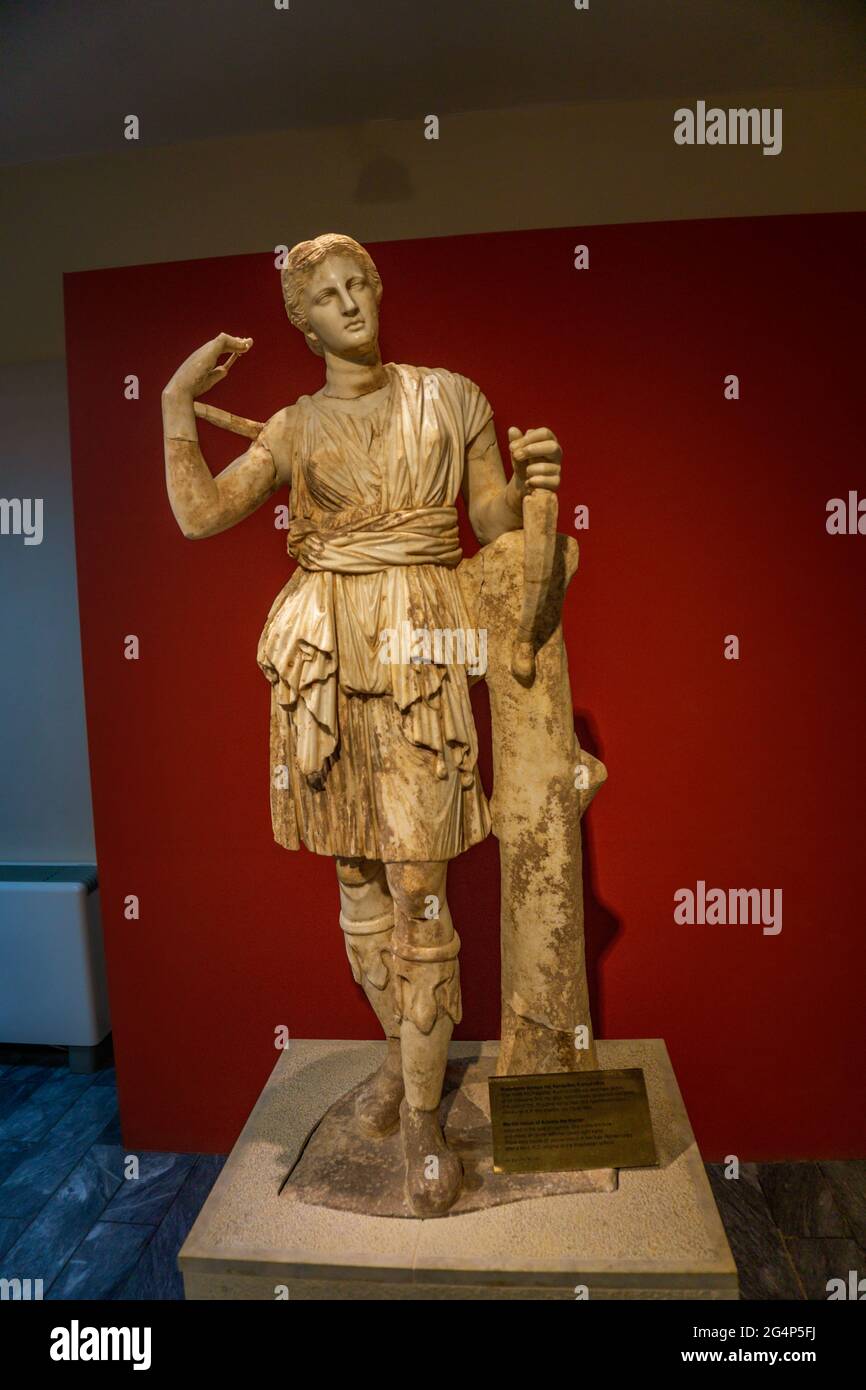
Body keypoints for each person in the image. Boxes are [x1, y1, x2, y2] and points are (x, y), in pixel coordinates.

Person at [162, 233, 562, 1215]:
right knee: (354, 872)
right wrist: (175, 409)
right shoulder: (294, 427)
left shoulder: (452, 397)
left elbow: (491, 521)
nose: (347, 303)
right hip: (322, 653)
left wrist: (533, 488)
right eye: (324, 295)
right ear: (300, 321)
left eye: (357, 285)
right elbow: (201, 513)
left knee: (420, 878)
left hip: (425, 642)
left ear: (378, 291)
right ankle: (397, 1058)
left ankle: (423, 1116)